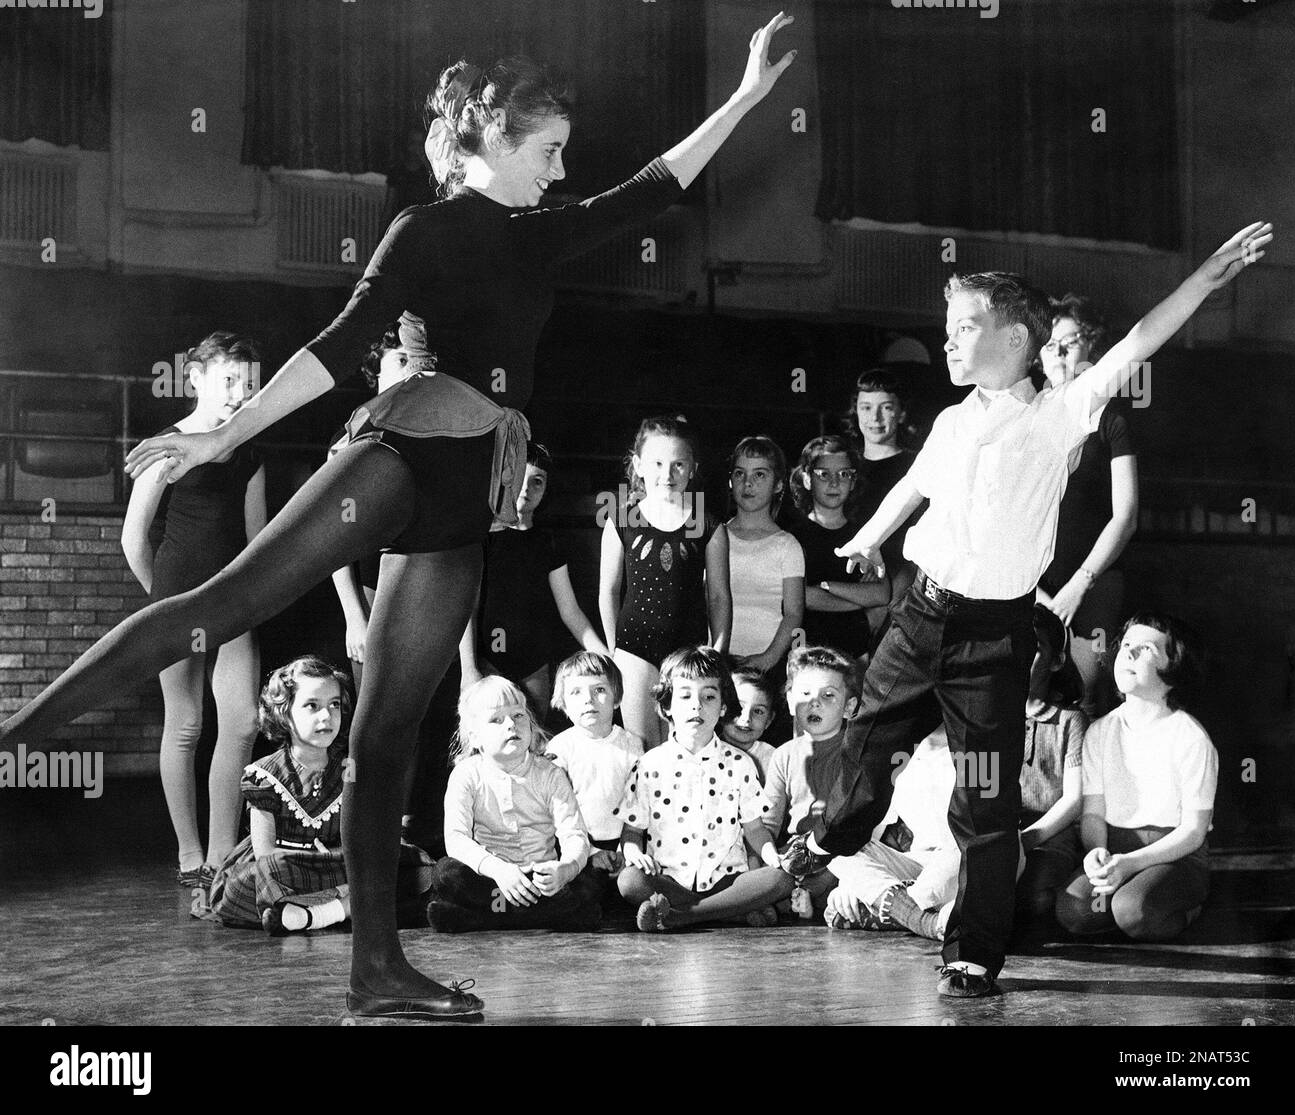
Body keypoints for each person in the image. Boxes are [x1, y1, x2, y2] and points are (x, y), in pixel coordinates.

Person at [2, 14, 801, 1020]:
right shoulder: (424, 230)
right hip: (401, 453)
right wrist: (221, 435)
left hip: (463, 497)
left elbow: (656, 186)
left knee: (386, 738)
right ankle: (15, 734)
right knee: (217, 602)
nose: (560, 171)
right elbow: (339, 343)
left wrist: (745, 96)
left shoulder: (540, 231)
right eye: (547, 150)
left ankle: (375, 969)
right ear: (493, 138)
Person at [783, 221, 1272, 997]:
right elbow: (915, 485)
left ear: (1015, 339)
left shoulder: (1061, 414)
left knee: (984, 801)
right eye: (945, 330)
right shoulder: (950, 421)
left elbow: (1138, 341)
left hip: (991, 640)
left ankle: (973, 951)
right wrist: (869, 539)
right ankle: (829, 834)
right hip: (917, 621)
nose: (946, 343)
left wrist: (1208, 276)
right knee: (867, 749)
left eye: (963, 328)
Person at [120, 332, 266, 888]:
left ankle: (221, 856)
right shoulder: (166, 446)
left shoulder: (250, 450)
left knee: (244, 723)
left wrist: (247, 601)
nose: (238, 392)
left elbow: (257, 544)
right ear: (196, 377)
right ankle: (188, 855)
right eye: (228, 380)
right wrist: (165, 601)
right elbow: (134, 538)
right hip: (178, 601)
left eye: (247, 384)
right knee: (184, 725)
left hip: (233, 603)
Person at [207, 656, 430, 933]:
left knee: (409, 862)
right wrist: (318, 861)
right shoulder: (263, 775)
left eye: (333, 705)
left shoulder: (348, 767)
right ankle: (348, 904)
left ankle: (318, 913)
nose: (326, 716)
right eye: (312, 706)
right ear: (284, 714)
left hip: (336, 862)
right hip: (287, 868)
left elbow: (361, 829)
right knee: (260, 875)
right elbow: (265, 852)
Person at [1057, 613, 1217, 941]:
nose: (1128, 654)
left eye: (1145, 650)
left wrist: (1131, 864)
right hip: (1116, 850)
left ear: (1174, 668)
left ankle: (1187, 906)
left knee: (1134, 910)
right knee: (1073, 912)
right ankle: (1127, 904)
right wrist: (1096, 852)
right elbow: (1093, 813)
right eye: (1126, 645)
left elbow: (1192, 832)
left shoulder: (1190, 737)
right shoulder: (1100, 731)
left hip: (1175, 855)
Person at [613, 647, 795, 930]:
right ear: (667, 706)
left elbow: (756, 829)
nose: (696, 706)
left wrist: (773, 856)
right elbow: (632, 832)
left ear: (723, 707)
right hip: (670, 879)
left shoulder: (740, 764)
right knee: (630, 881)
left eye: (708, 696)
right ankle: (729, 911)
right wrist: (633, 853)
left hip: (727, 880)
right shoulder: (649, 765)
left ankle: (681, 916)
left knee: (781, 878)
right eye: (685, 696)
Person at [425, 676, 603, 933]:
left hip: (541, 881)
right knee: (445, 873)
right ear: (475, 738)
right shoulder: (466, 774)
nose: (511, 724)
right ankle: (540, 918)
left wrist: (564, 870)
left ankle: (483, 920)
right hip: (492, 880)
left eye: (518, 715)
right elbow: (456, 840)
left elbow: (574, 835)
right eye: (496, 720)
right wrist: (499, 870)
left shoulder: (550, 774)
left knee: (590, 881)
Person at [599, 416, 731, 746]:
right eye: (657, 463)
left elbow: (718, 596)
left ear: (692, 468)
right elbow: (609, 590)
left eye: (678, 465)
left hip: (688, 650)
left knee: (686, 749)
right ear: (639, 465)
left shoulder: (707, 523)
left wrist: (717, 652)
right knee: (642, 750)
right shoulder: (622, 517)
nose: (667, 474)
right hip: (634, 649)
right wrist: (615, 650)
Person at [1036, 295, 1139, 716]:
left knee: (1084, 701)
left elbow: (1125, 516)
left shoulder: (1112, 422)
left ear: (1092, 349)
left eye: (1071, 340)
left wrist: (1080, 585)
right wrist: (1033, 594)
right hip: (1028, 582)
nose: (1058, 352)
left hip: (1093, 581)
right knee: (1023, 695)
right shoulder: (1023, 417)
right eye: (1049, 343)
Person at [460, 442, 607, 716]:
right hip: (489, 664)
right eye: (519, 479)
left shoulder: (548, 542)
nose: (526, 488)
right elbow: (468, 608)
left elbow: (570, 611)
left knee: (535, 741)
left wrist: (603, 653)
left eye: (536, 482)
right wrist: (469, 669)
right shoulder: (483, 540)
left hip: (535, 666)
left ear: (546, 489)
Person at [330, 327, 417, 691]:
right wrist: (354, 617)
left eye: (416, 362)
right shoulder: (349, 439)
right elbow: (334, 544)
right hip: (371, 587)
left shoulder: (428, 434)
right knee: (372, 710)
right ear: (375, 368)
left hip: (419, 585)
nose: (411, 371)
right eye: (400, 360)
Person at [823, 726, 959, 942]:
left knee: (839, 912)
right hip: (920, 863)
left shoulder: (978, 753)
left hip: (964, 859)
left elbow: (990, 831)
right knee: (835, 842)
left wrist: (867, 889)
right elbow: (869, 827)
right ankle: (928, 917)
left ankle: (904, 912)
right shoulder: (899, 757)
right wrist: (849, 882)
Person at [761, 646, 862, 918]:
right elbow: (769, 821)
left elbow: (864, 819)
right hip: (798, 852)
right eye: (805, 694)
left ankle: (806, 904)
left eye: (828, 695)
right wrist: (771, 856)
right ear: (791, 700)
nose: (814, 703)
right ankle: (794, 901)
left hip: (839, 852)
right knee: (770, 875)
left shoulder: (857, 752)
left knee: (846, 870)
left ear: (849, 707)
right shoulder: (783, 755)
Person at [1016, 604, 1089, 924]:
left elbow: (1073, 801)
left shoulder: (1070, 721)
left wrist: (1028, 838)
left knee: (1033, 900)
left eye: (1031, 648)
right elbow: (978, 786)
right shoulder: (988, 717)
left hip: (1050, 835)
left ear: (1057, 660)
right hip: (1003, 834)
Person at [786, 434, 888, 660]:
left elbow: (881, 594)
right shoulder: (792, 537)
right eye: (824, 474)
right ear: (806, 479)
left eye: (843, 474)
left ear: (853, 481)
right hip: (807, 649)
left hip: (856, 651)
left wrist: (826, 586)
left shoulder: (865, 536)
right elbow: (802, 598)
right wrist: (859, 601)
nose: (834, 482)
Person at [545, 652, 643, 876]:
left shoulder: (632, 745)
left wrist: (626, 850)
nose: (588, 699)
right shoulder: (560, 748)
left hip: (624, 843)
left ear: (616, 698)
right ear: (564, 705)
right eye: (576, 692)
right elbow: (555, 811)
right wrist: (590, 852)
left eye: (599, 690)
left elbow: (637, 805)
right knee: (584, 891)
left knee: (635, 883)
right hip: (575, 846)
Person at [848, 369, 924, 638]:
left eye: (886, 408)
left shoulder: (918, 468)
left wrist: (890, 598)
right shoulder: (843, 466)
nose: (875, 418)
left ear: (901, 413)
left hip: (902, 591)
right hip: (846, 589)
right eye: (866, 407)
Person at [725, 436, 804, 678]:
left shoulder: (787, 545)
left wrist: (767, 658)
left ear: (778, 484)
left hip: (766, 667)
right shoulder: (717, 537)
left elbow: (793, 613)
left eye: (759, 475)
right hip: (718, 662)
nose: (748, 483)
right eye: (740, 473)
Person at [719, 664, 778, 783]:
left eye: (758, 711)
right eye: (739, 706)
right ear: (720, 709)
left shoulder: (773, 759)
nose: (746, 718)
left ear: (769, 720)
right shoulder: (707, 750)